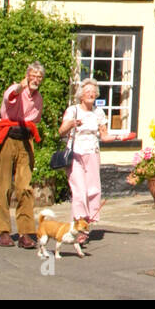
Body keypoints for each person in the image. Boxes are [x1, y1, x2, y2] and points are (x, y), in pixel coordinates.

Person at [0, 62, 45, 248]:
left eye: (39, 77)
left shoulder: (39, 99)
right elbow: (9, 96)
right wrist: (21, 86)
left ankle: (25, 233)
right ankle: (3, 231)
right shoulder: (16, 89)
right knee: (3, 186)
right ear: (27, 75)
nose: (36, 79)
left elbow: (34, 119)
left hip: (25, 140)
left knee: (24, 188)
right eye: (33, 75)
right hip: (7, 138)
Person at [59, 78, 113, 245]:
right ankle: (79, 228)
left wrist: (119, 137)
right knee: (80, 192)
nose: (91, 93)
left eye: (93, 91)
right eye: (87, 91)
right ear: (81, 95)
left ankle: (85, 225)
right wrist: (72, 124)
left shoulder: (99, 113)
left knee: (93, 190)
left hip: (93, 153)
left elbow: (104, 135)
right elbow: (61, 131)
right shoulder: (73, 110)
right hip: (76, 154)